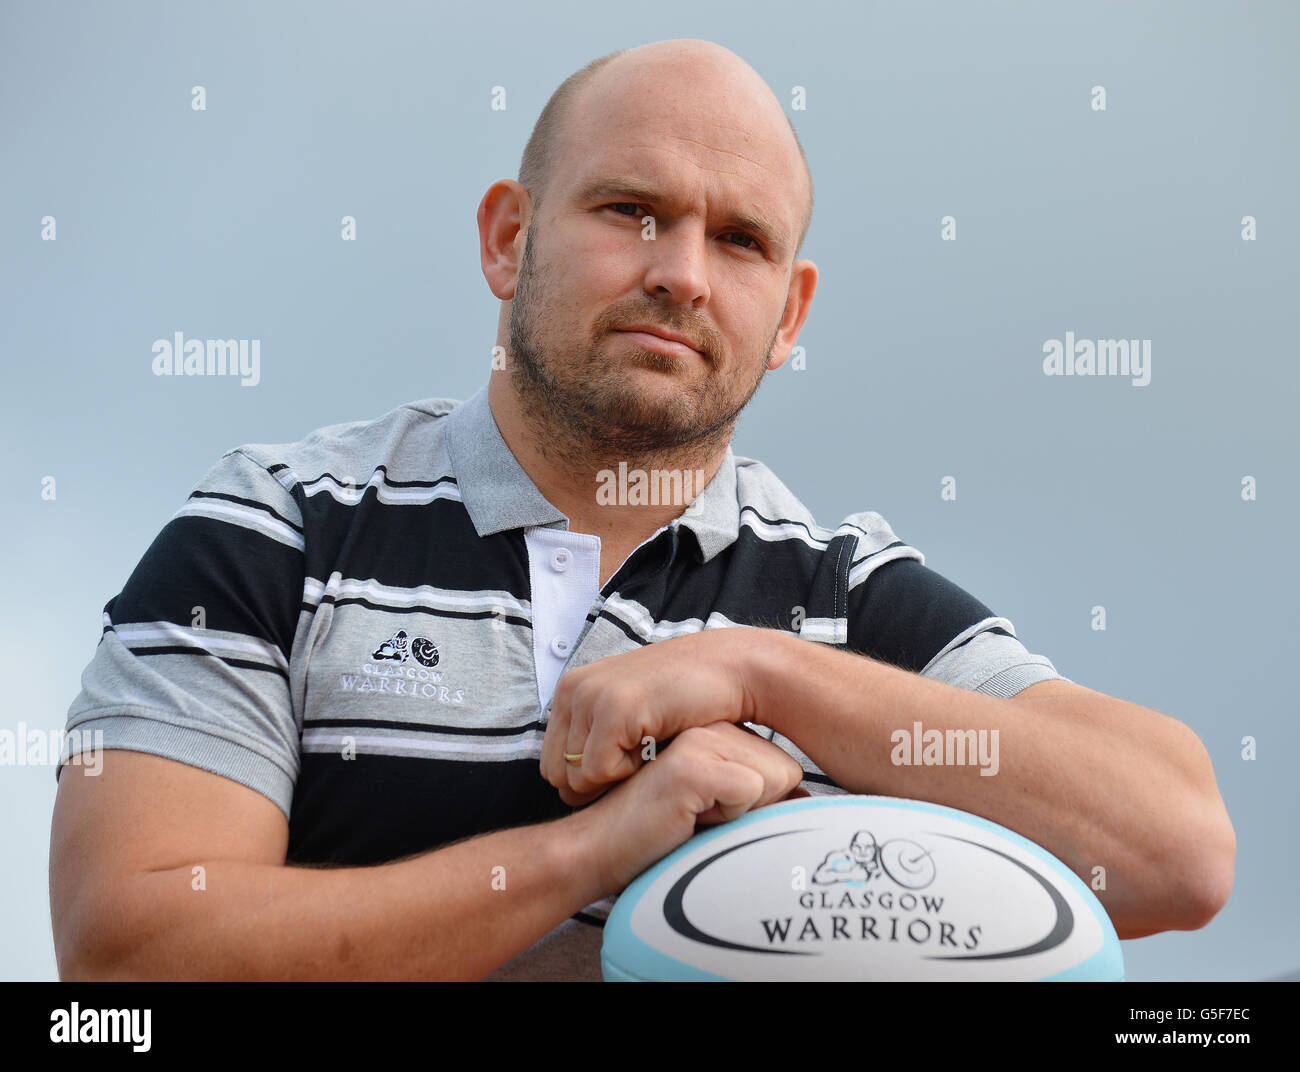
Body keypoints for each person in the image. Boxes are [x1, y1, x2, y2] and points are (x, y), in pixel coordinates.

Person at [49, 38, 1235, 982]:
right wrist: (590, 853)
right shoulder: (276, 527)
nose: (682, 271)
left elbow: (1174, 851)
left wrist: (764, 674)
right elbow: (130, 953)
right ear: (509, 239)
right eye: (631, 210)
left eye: (741, 239)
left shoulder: (844, 596)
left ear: (789, 314)